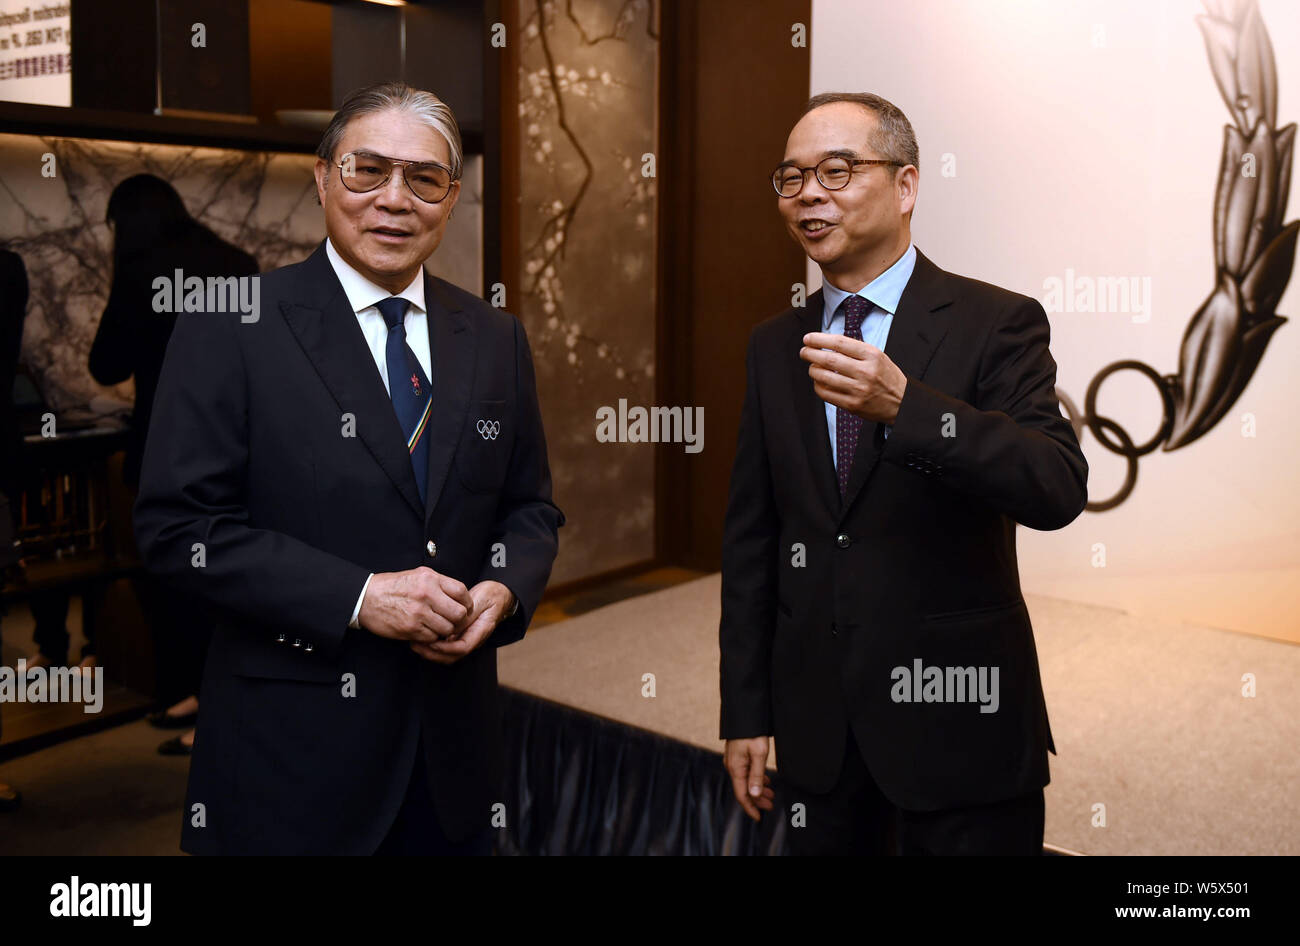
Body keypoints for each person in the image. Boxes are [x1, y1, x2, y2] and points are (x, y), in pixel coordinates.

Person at [133, 81, 563, 855]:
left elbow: (529, 509)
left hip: (455, 754)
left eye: (424, 179)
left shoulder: (496, 337)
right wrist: (360, 597)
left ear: (452, 197)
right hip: (292, 761)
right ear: (324, 176)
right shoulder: (233, 325)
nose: (395, 199)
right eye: (368, 170)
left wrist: (505, 589)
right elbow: (177, 531)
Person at [718, 92, 1088, 855]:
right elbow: (754, 541)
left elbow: (1055, 485)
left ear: (907, 185)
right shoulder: (772, 344)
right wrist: (745, 710)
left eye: (837, 169)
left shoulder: (997, 322)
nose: (809, 193)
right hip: (819, 738)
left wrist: (908, 407)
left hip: (960, 730)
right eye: (790, 178)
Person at [90, 174, 259, 755]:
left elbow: (106, 365)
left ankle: (207, 714)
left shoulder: (141, 269)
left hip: (167, 452)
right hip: (238, 451)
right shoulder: (236, 261)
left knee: (172, 585)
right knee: (225, 584)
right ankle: (203, 698)